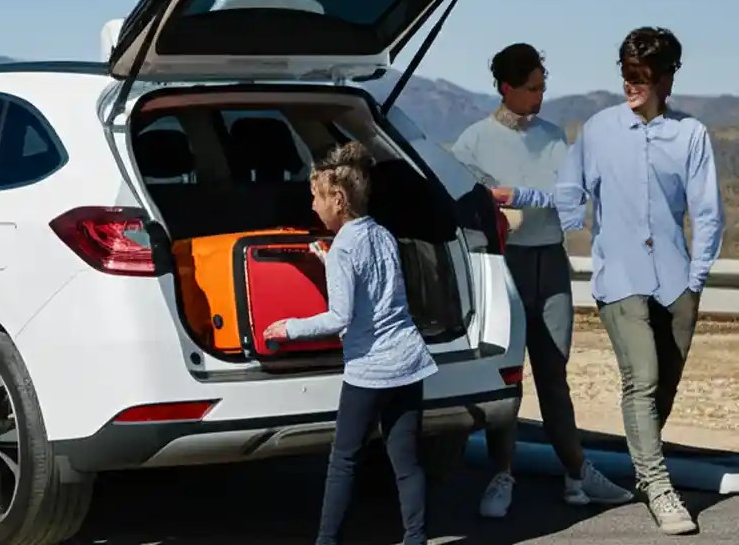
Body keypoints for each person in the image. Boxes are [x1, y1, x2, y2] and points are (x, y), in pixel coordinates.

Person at [494, 27, 724, 536]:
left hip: (676, 280)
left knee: (662, 385)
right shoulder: (597, 131)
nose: (630, 85)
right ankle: (658, 486)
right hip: (619, 277)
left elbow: (708, 215)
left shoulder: (691, 136)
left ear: (665, 78)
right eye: (625, 74)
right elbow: (569, 195)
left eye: (640, 76)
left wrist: (697, 279)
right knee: (639, 378)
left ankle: (646, 463)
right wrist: (520, 199)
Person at [451, 43, 631, 517]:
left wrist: (526, 196)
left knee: (554, 377)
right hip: (503, 268)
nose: (541, 95)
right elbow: (464, 211)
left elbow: (573, 204)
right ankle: (502, 474)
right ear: (507, 88)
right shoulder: (471, 142)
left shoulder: (554, 137)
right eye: (533, 88)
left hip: (550, 265)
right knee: (507, 381)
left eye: (544, 86)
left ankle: (577, 474)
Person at [264, 141, 437, 545]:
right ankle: (417, 538)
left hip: (370, 370)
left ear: (338, 200)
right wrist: (330, 262)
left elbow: (340, 317)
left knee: (343, 461)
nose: (311, 207)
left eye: (315, 198)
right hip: (410, 362)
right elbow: (377, 288)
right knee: (407, 464)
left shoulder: (343, 248)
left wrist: (287, 328)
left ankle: (327, 541)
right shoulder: (382, 234)